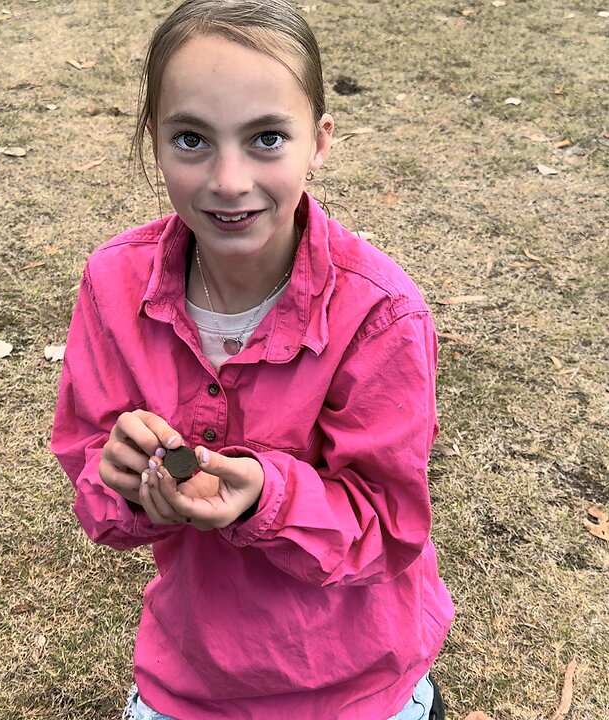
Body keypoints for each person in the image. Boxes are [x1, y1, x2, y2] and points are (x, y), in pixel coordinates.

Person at [50, 1, 455, 717]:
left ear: (319, 142)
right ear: (154, 141)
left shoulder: (381, 313)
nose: (229, 180)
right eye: (191, 140)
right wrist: (126, 484)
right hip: (192, 676)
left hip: (358, 682)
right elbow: (93, 477)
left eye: (267, 138)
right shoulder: (113, 284)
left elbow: (389, 526)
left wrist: (269, 497)